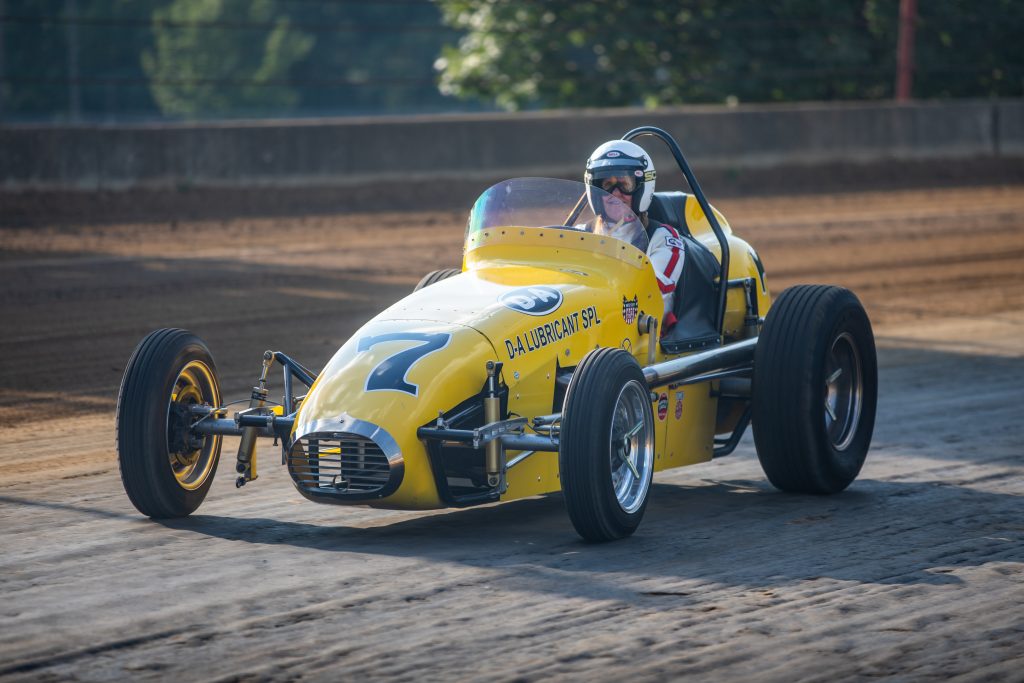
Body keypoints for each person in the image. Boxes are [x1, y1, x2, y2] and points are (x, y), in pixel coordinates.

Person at [584, 140, 685, 333]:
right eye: (606, 185)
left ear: (641, 188)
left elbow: (654, 290)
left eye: (625, 184)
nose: (615, 194)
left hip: (643, 339)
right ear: (595, 191)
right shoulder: (582, 235)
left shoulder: (663, 239)